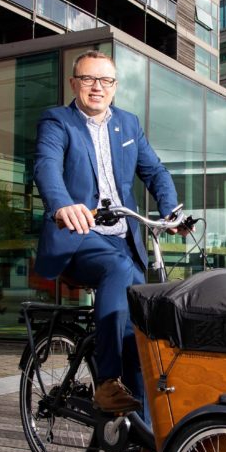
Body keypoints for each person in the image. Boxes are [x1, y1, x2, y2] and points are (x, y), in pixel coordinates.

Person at [33, 50, 180, 415]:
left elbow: (155, 172)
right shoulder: (58, 121)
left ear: (114, 87)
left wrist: (170, 210)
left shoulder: (128, 124)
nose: (97, 87)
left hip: (122, 239)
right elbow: (47, 165)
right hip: (79, 236)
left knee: (141, 328)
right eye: (88, 79)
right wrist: (63, 204)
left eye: (105, 80)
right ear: (74, 83)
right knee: (120, 269)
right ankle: (106, 382)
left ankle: (147, 439)